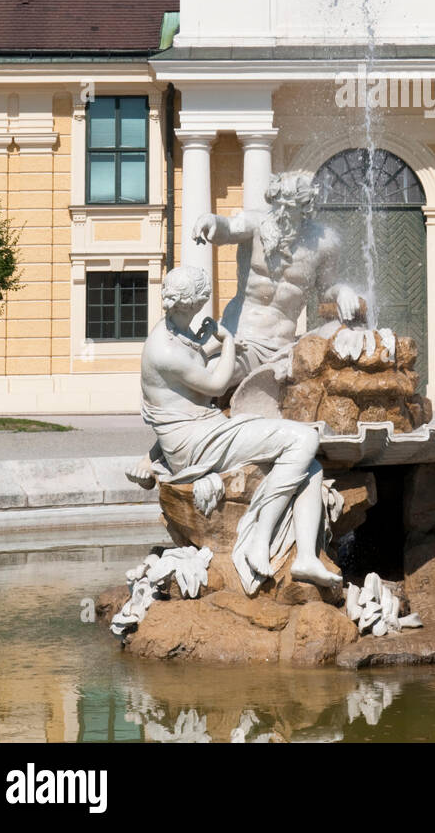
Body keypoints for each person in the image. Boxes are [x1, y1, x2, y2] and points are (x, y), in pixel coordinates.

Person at [135, 265, 341, 593]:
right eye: (201, 303)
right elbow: (216, 383)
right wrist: (227, 341)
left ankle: (305, 558)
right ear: (192, 303)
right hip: (196, 444)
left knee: (310, 466)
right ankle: (260, 538)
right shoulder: (166, 350)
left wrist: (211, 346)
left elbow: (194, 369)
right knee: (305, 437)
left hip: (208, 430)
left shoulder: (175, 332)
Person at [192, 171, 362, 415]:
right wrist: (211, 220)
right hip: (244, 338)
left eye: (289, 207)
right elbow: (228, 228)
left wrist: (343, 291)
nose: (281, 213)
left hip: (283, 344)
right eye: (278, 205)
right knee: (210, 377)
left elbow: (326, 291)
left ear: (306, 207)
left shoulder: (324, 242)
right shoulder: (256, 225)